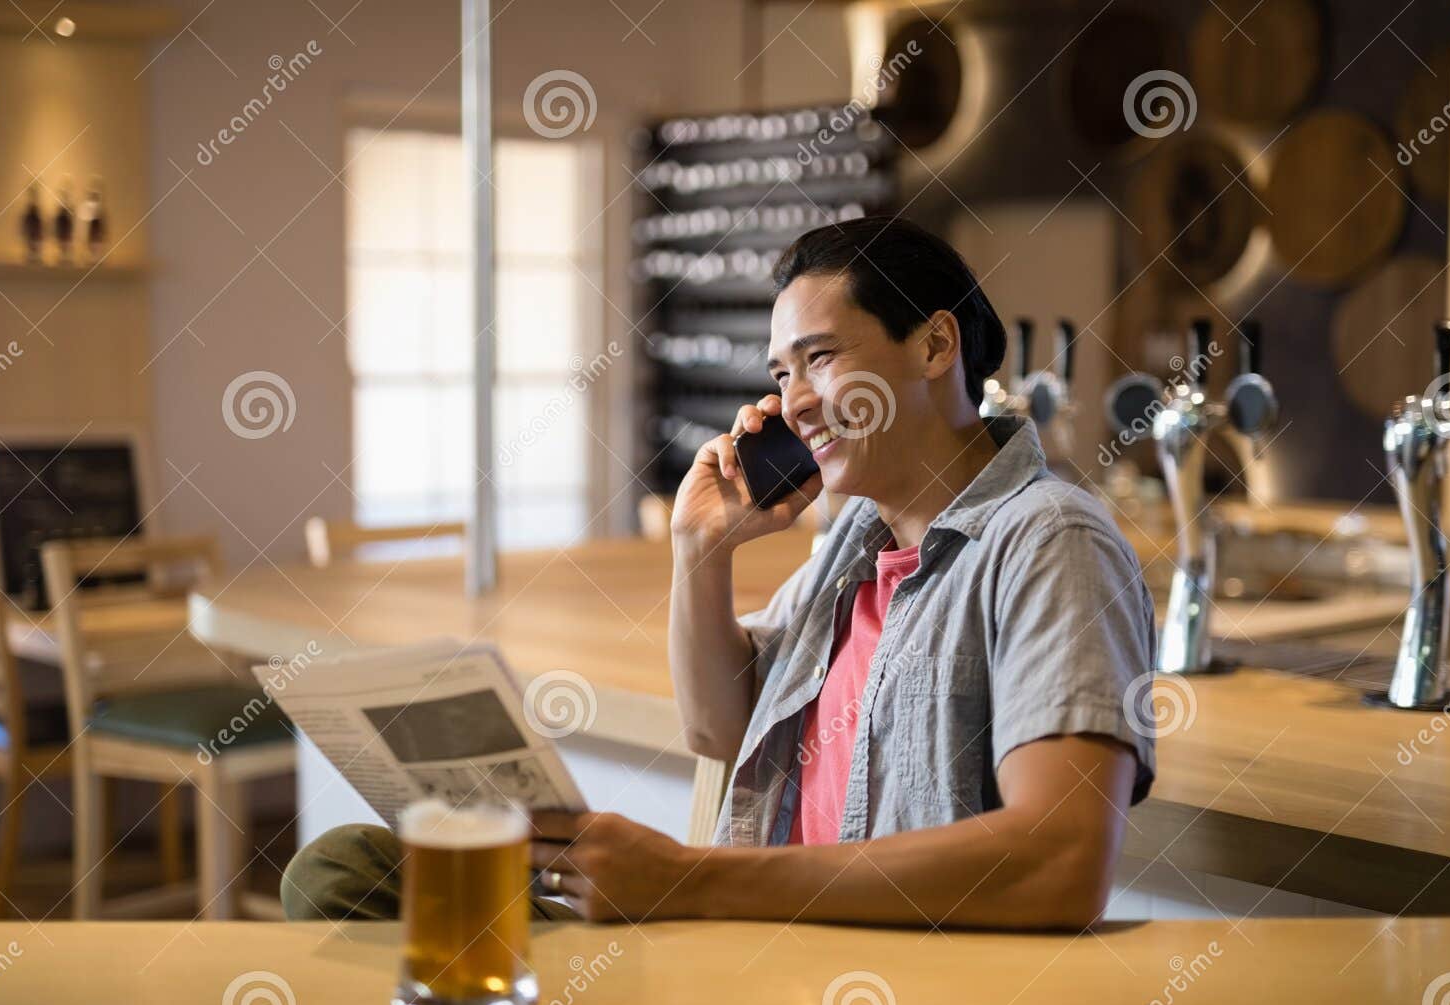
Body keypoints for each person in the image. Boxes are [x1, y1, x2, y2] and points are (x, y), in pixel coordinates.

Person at [281, 215, 1156, 929]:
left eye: (821, 357)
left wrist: (692, 881)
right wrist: (699, 551)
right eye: (781, 371)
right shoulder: (853, 544)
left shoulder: (1049, 539)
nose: (793, 401)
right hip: (750, 933)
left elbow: (1063, 858)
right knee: (341, 870)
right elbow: (716, 727)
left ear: (934, 345)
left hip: (869, 983)